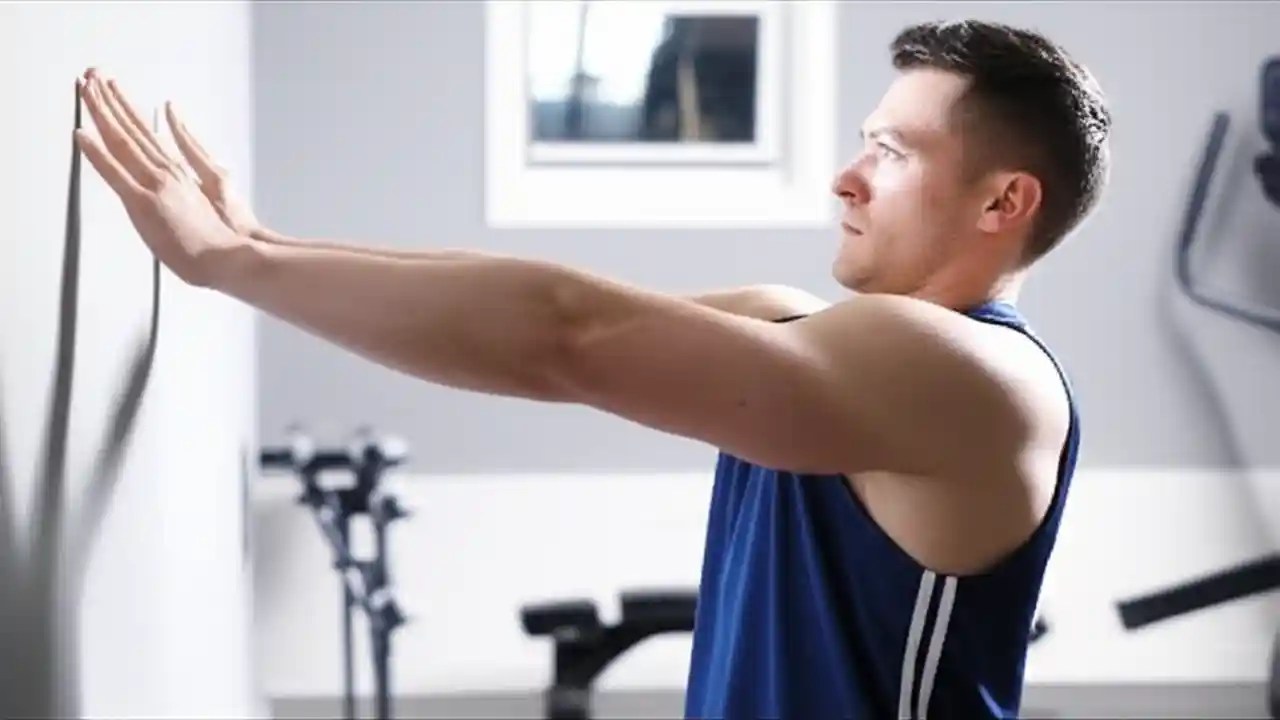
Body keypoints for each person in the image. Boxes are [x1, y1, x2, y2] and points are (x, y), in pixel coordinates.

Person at [72, 16, 1110, 720]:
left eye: (891, 151)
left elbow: (564, 337)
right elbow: (560, 313)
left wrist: (232, 264)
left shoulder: (972, 378)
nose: (845, 176)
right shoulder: (824, 338)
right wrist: (264, 245)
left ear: (999, 203)